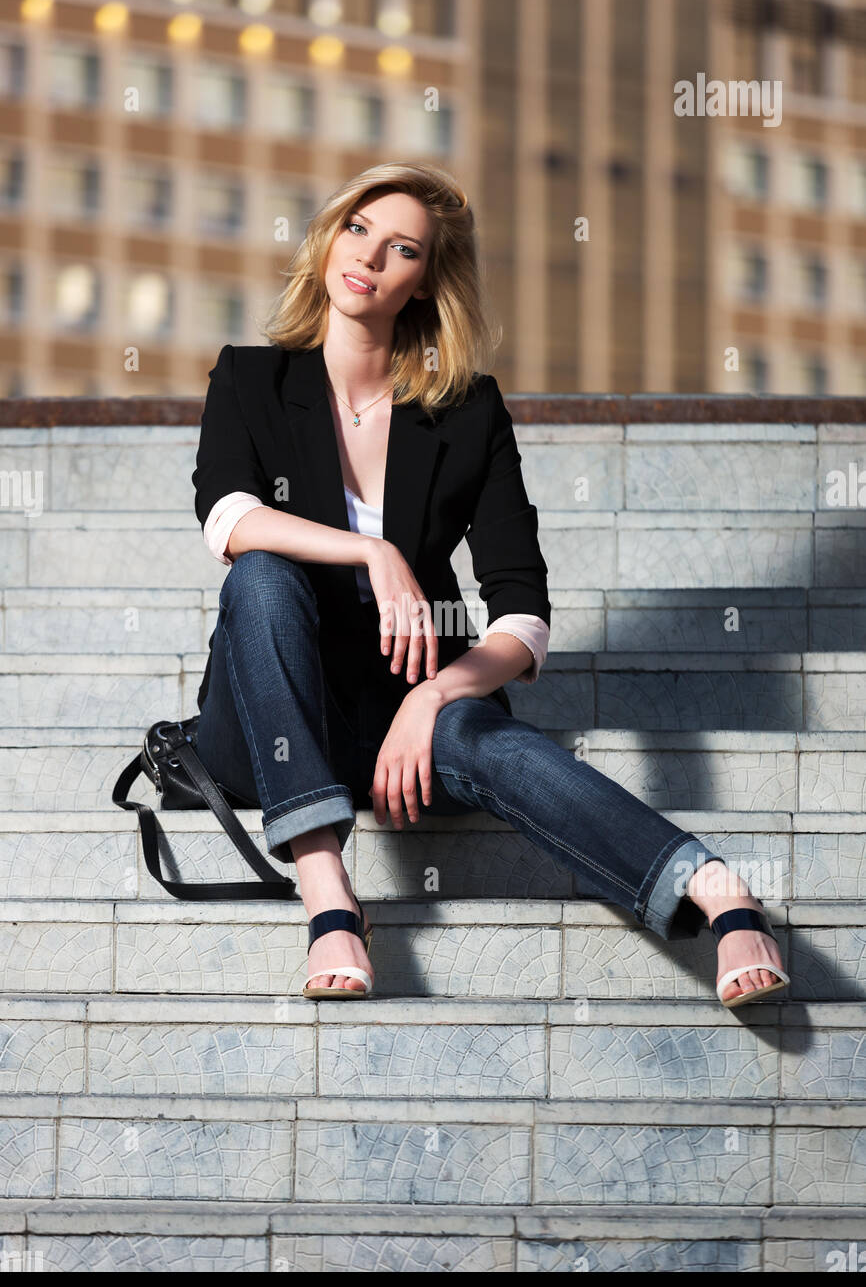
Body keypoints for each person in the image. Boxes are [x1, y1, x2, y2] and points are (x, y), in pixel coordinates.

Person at [192, 161, 789, 1008]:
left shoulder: (466, 409)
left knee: (482, 736)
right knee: (261, 576)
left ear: (424, 280)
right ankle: (329, 896)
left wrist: (434, 695)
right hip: (268, 720)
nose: (369, 257)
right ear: (330, 236)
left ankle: (717, 893)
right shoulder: (253, 379)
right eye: (359, 229)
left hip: (406, 702)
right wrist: (374, 553)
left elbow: (523, 616)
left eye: (402, 249)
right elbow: (226, 516)